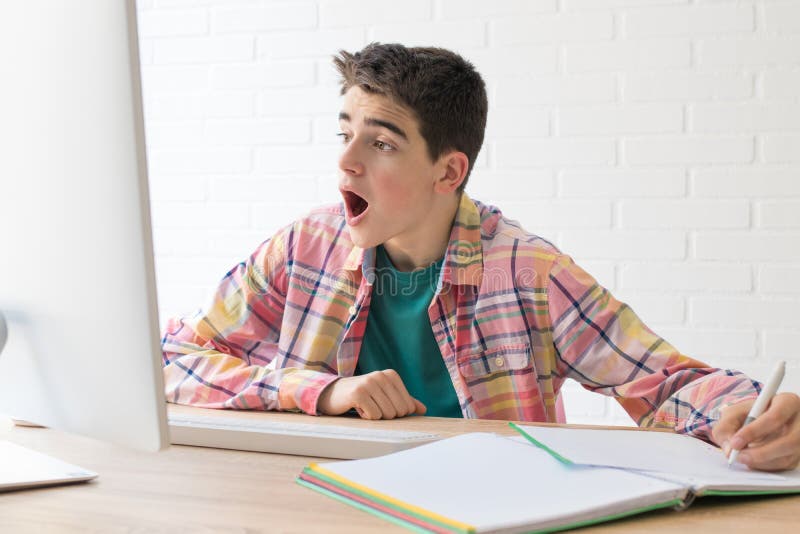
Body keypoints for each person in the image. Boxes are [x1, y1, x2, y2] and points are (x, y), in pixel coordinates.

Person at [161, 43, 800, 471]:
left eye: (380, 142)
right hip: (326, 503)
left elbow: (665, 382)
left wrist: (748, 415)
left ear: (449, 171)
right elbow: (170, 360)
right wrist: (320, 392)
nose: (346, 161)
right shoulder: (304, 248)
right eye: (344, 131)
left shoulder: (526, 270)